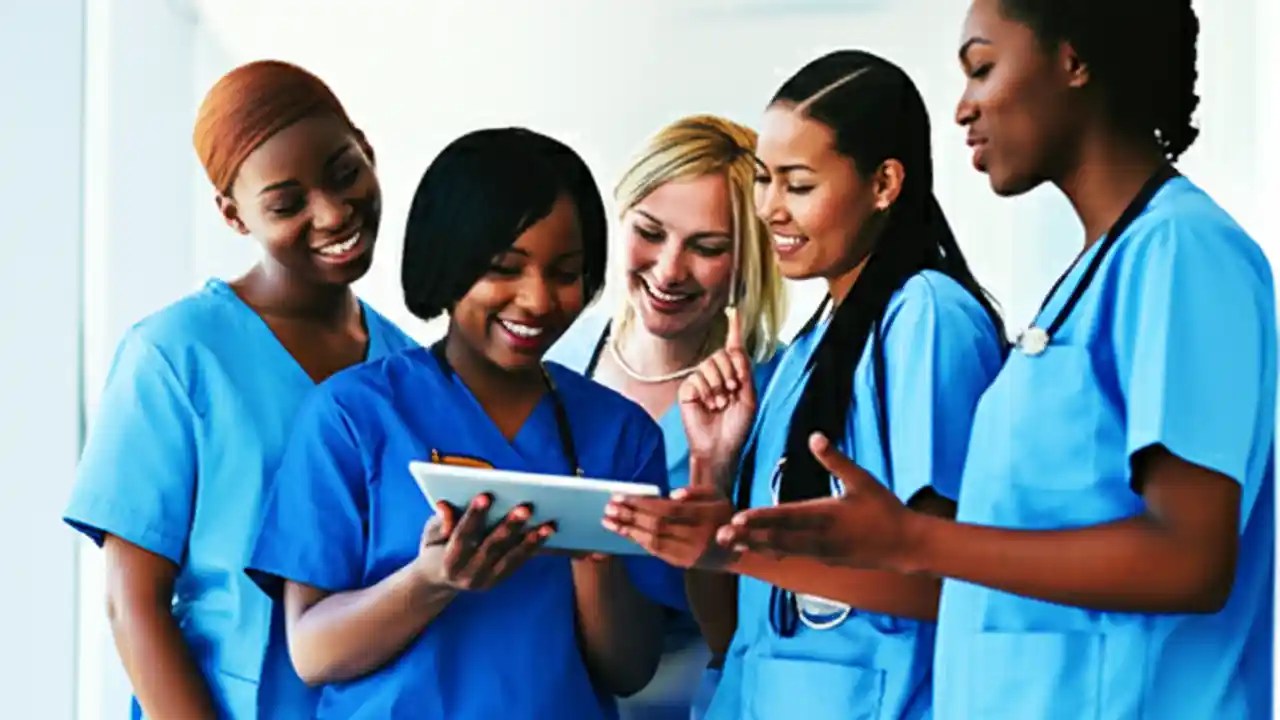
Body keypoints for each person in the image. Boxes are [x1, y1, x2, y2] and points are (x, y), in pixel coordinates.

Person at [720, 2, 1276, 718]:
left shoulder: (1182, 251)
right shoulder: (1087, 282)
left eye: (982, 68)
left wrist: (916, 541)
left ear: (1074, 62)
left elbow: (1191, 561)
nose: (961, 109)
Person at [602, 51, 1007, 719]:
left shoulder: (926, 316)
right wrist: (712, 469)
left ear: (884, 183)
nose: (769, 210)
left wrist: (760, 557)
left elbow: (953, 585)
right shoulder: (802, 358)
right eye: (764, 179)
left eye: (798, 184)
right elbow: (730, 632)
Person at [245, 127, 675, 719]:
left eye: (566, 272)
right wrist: (430, 582)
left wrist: (594, 556)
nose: (538, 300)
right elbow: (313, 652)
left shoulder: (620, 435)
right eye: (504, 267)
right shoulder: (353, 416)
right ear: (445, 262)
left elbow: (629, 670)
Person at [62, 60, 417, 719]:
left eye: (345, 173)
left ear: (367, 149)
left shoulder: (408, 367)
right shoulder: (174, 355)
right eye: (286, 204)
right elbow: (131, 601)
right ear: (233, 215)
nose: (334, 212)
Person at [545, 114, 787, 719]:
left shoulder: (778, 392)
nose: (670, 269)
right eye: (650, 232)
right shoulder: (551, 358)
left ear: (748, 259)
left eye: (707, 247)